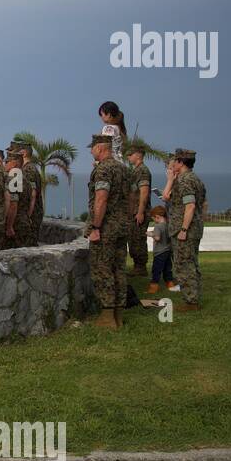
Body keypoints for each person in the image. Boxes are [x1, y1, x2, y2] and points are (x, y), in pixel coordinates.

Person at [86, 133, 130, 328]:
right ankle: (118, 314)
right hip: (122, 226)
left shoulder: (103, 170)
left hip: (106, 228)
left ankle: (107, 315)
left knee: (102, 269)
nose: (90, 151)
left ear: (100, 148)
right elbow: (131, 199)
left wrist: (96, 226)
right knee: (119, 268)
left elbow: (101, 199)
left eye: (92, 148)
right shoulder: (123, 168)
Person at [162, 148, 206, 310]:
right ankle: (192, 297)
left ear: (181, 163)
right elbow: (166, 196)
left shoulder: (185, 181)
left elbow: (191, 205)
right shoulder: (193, 179)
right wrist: (170, 180)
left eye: (174, 162)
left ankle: (191, 302)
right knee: (191, 263)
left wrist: (184, 229)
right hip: (193, 228)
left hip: (185, 230)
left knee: (184, 265)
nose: (171, 165)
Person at [125, 144, 152, 276]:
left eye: (130, 154)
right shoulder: (136, 170)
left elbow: (144, 192)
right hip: (133, 212)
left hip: (138, 212)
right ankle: (138, 266)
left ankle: (140, 267)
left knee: (138, 240)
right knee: (133, 240)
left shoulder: (142, 171)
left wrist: (140, 212)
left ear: (138, 155)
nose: (128, 157)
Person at [146, 206, 174, 294]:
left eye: (154, 219)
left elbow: (157, 238)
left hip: (159, 252)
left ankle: (153, 287)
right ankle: (170, 284)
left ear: (157, 217)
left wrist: (150, 234)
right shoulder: (168, 225)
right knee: (167, 269)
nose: (154, 221)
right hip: (168, 251)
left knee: (156, 270)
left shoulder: (158, 226)